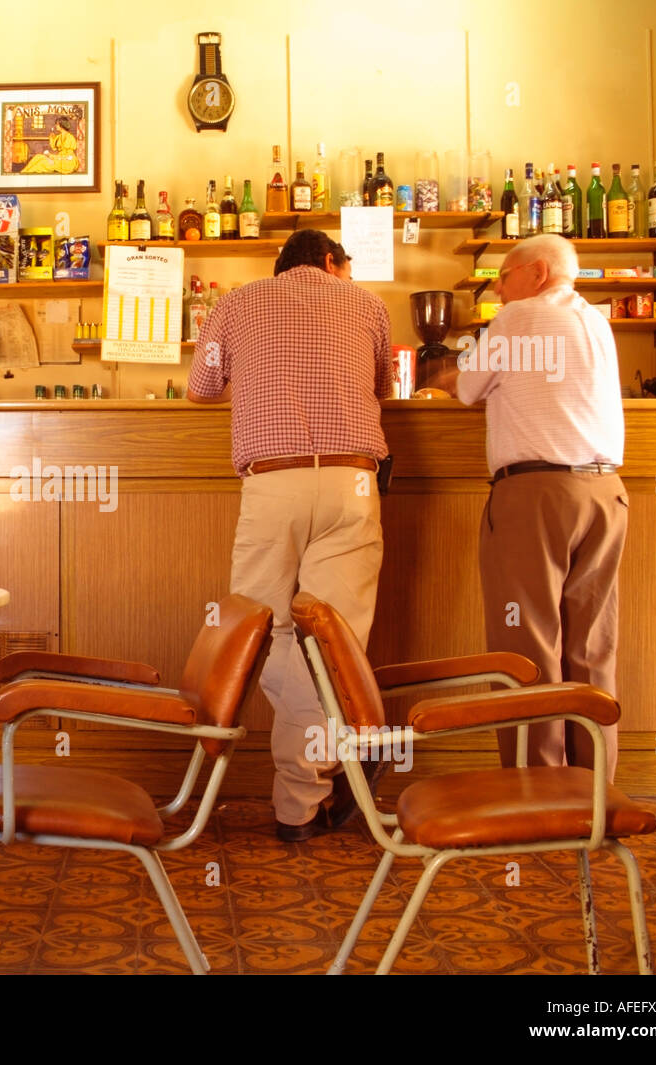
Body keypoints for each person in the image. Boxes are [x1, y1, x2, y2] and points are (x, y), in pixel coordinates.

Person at [188, 229, 392, 841]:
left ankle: (312, 780)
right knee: (333, 636)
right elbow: (382, 389)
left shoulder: (237, 303)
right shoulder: (368, 305)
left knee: (259, 631)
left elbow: (201, 389)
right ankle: (313, 782)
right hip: (352, 483)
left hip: (271, 483)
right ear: (331, 261)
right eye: (346, 266)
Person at [456, 234, 626, 780]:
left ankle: (536, 791)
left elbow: (465, 388)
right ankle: (593, 790)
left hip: (538, 496)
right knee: (592, 647)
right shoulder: (597, 322)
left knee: (526, 645)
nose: (499, 290)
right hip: (605, 495)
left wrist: (444, 373)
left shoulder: (519, 318)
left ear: (536, 272)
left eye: (502, 278)